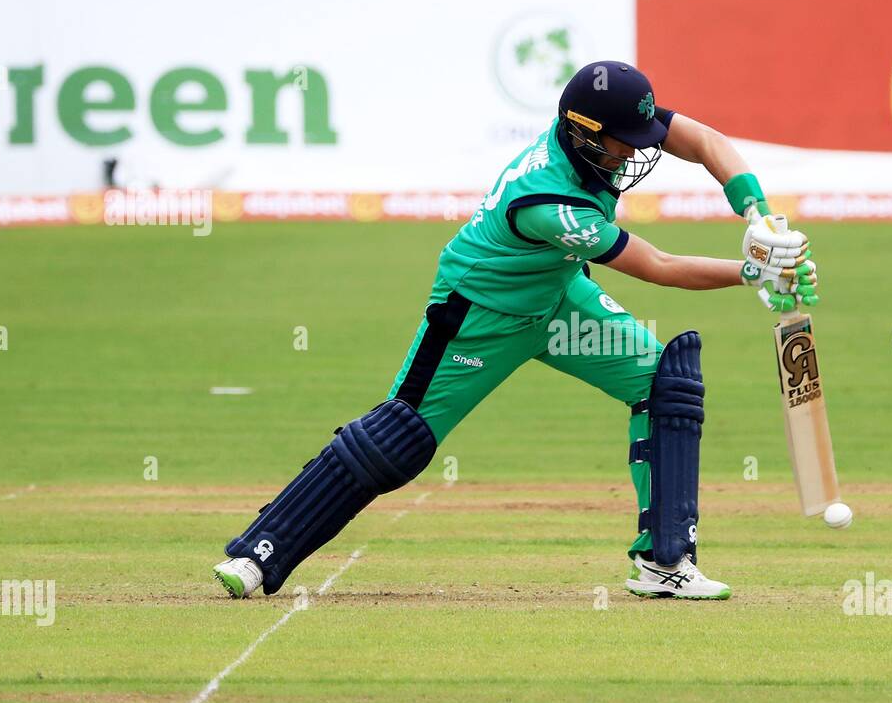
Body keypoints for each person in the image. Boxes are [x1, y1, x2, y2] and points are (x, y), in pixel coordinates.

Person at [212, 60, 816, 602]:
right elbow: (654, 266)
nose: (632, 156)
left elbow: (705, 141)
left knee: (665, 380)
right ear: (582, 131)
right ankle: (258, 553)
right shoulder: (550, 203)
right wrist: (751, 270)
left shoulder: (604, 122)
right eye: (621, 146)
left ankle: (664, 564)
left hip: (557, 302)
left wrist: (758, 215)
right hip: (478, 316)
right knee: (397, 441)